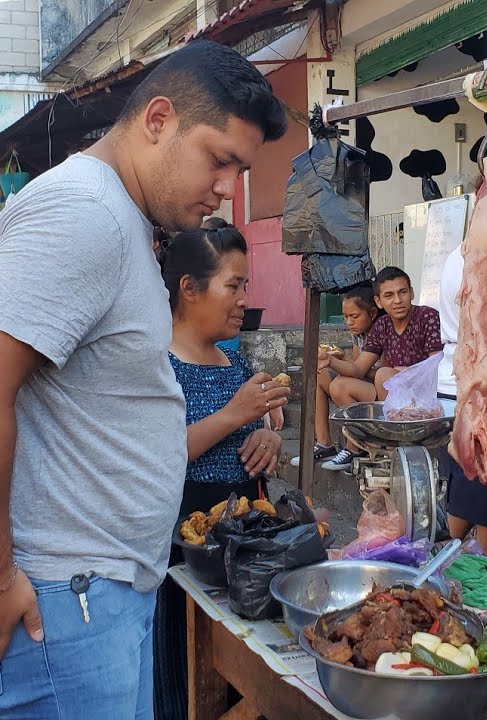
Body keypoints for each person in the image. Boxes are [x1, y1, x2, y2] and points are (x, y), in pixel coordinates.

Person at [0, 40, 287, 719]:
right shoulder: (84, 214)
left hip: (88, 588)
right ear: (157, 119)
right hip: (58, 593)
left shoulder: (112, 213)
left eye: (240, 170)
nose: (226, 189)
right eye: (219, 160)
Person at [153, 219, 289, 719]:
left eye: (245, 285)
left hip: (245, 545)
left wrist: (266, 434)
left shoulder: (230, 359)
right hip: (184, 549)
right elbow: (158, 454)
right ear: (189, 289)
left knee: (242, 677)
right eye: (232, 285)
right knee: (189, 677)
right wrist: (236, 415)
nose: (242, 298)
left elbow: (258, 423)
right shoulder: (156, 364)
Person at [321, 266, 443, 471]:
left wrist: (408, 372)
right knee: (339, 385)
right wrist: (329, 361)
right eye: (389, 295)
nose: (397, 300)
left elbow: (437, 363)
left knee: (384, 374)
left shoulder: (427, 317)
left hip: (424, 396)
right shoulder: (383, 325)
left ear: (411, 293)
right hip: (392, 393)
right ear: (379, 301)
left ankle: (391, 445)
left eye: (402, 292)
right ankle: (372, 445)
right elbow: (359, 369)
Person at [437, 244, 487, 553]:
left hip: (460, 385)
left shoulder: (459, 252)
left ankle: (432, 571)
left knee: (462, 500)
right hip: (484, 392)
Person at [289, 284, 381, 467]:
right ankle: (324, 444)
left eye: (354, 316)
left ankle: (355, 447)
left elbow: (375, 373)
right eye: (346, 317)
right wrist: (341, 358)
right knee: (319, 374)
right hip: (363, 385)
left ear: (372, 313)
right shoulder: (359, 335)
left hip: (380, 391)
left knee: (339, 385)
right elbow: (356, 366)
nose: (349, 322)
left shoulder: (382, 331)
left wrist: (338, 363)